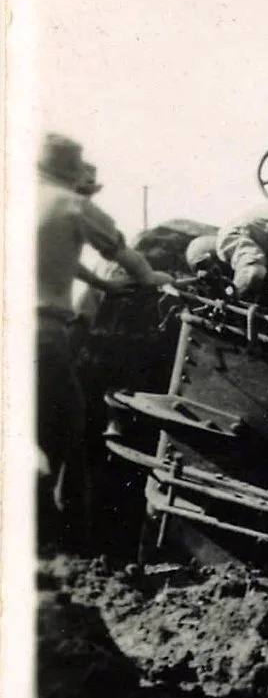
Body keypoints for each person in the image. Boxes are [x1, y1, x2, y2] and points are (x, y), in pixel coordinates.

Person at [36, 133, 171, 550]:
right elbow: (125, 256)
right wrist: (151, 278)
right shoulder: (74, 205)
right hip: (44, 333)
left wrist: (98, 284)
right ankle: (62, 549)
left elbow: (50, 257)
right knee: (67, 434)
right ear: (75, 175)